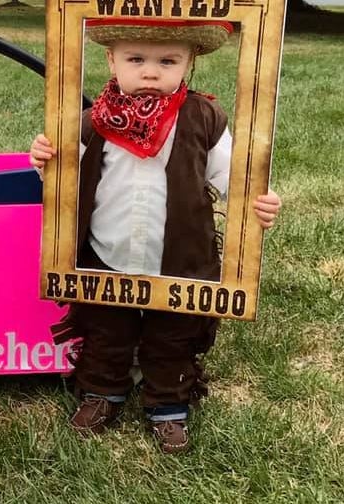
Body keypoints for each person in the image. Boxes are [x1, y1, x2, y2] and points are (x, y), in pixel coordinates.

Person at [29, 19, 283, 453]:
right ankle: (101, 392)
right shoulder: (90, 123)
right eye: (136, 59)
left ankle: (168, 403)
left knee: (173, 333)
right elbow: (62, 181)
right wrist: (44, 159)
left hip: (179, 257)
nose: (150, 72)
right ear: (111, 59)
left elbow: (236, 179)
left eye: (167, 61)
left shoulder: (206, 119)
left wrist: (258, 202)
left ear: (189, 62)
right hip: (107, 253)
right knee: (107, 330)